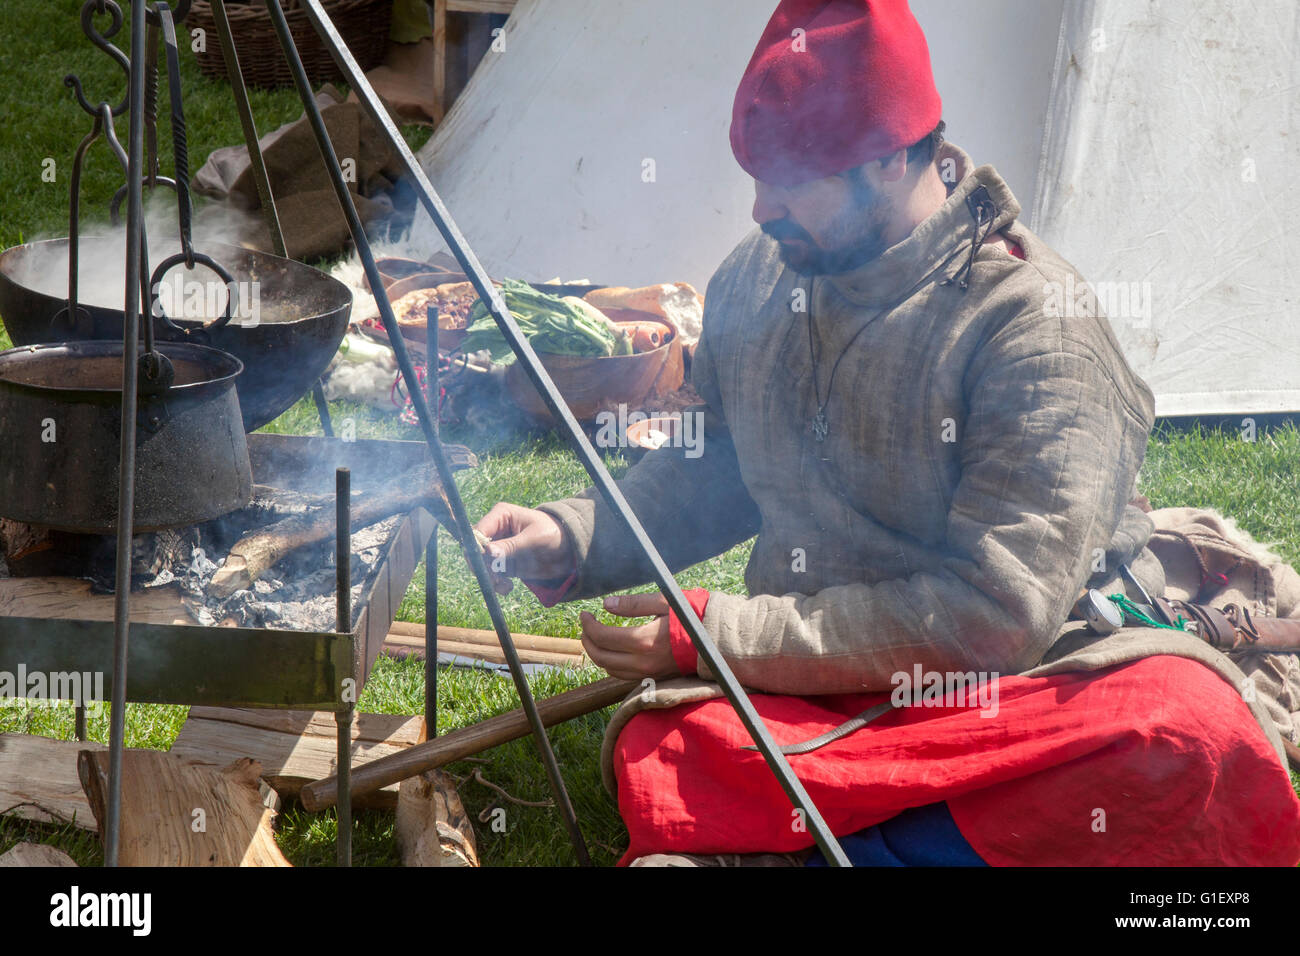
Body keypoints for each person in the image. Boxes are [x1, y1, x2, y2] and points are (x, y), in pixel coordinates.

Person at [475, 0, 1300, 866]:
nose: (760, 208)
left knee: (1181, 737)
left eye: (792, 181)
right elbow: (717, 463)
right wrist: (577, 532)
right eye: (756, 175)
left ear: (892, 161)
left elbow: (997, 614)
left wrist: (719, 638)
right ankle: (889, 838)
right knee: (668, 747)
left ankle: (808, 836)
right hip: (816, 675)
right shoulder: (759, 281)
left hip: (1011, 689)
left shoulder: (1034, 331)